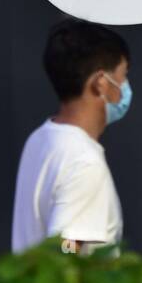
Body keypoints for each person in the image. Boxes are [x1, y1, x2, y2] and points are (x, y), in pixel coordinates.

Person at [12, 18, 131, 255]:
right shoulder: (84, 162)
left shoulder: (40, 139)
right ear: (100, 84)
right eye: (122, 76)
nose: (125, 87)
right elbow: (66, 253)